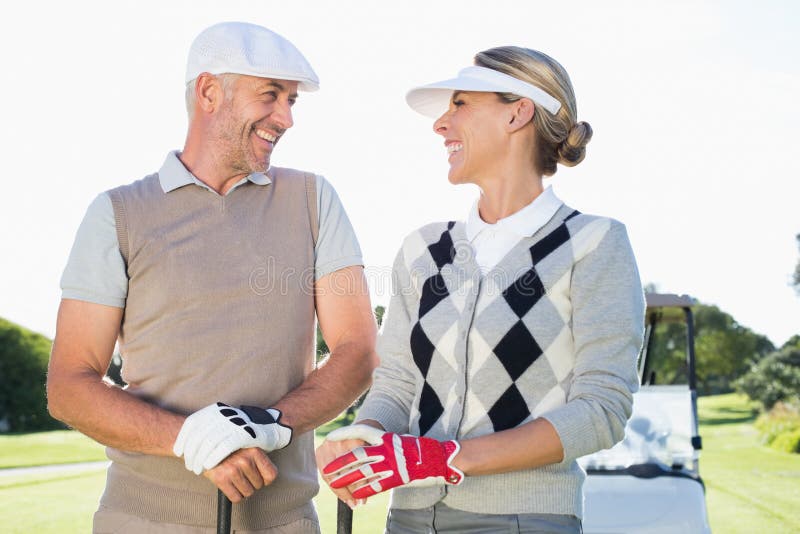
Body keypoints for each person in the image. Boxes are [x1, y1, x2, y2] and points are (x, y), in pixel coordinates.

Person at [47, 22, 377, 533]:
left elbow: (357, 350)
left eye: (292, 100)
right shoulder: (117, 214)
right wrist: (192, 439)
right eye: (270, 95)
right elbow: (69, 385)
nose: (286, 117)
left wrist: (268, 426)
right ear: (208, 92)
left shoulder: (313, 201)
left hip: (284, 521)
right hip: (141, 521)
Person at [316, 46, 645, 533]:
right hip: (408, 518)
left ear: (518, 113)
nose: (440, 124)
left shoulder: (593, 244)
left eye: (460, 105)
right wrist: (366, 433)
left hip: (523, 519)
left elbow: (601, 410)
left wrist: (448, 458)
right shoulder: (424, 249)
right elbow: (399, 383)